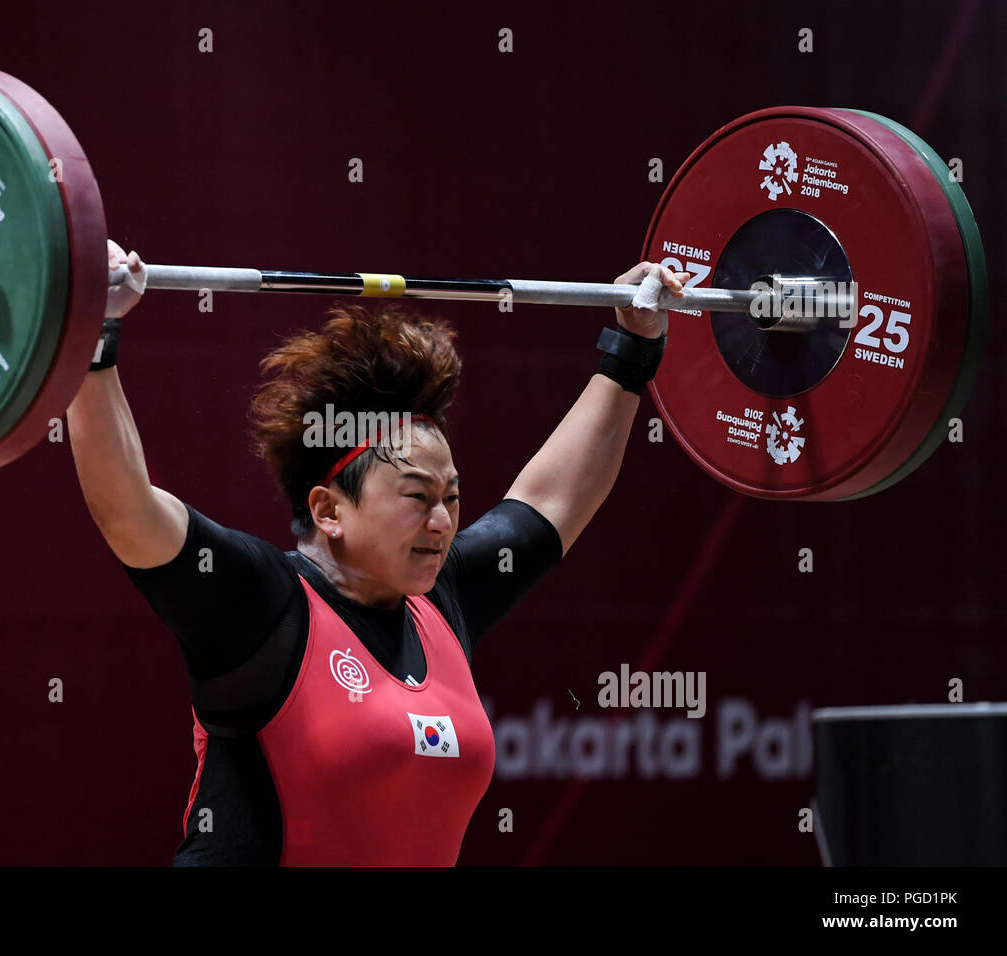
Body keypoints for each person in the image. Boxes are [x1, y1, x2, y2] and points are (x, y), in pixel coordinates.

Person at [68, 241, 689, 865]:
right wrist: (93, 341)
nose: (443, 521)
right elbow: (129, 510)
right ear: (329, 510)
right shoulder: (263, 609)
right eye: (417, 496)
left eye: (451, 496)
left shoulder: (442, 597)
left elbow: (550, 503)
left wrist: (633, 350)